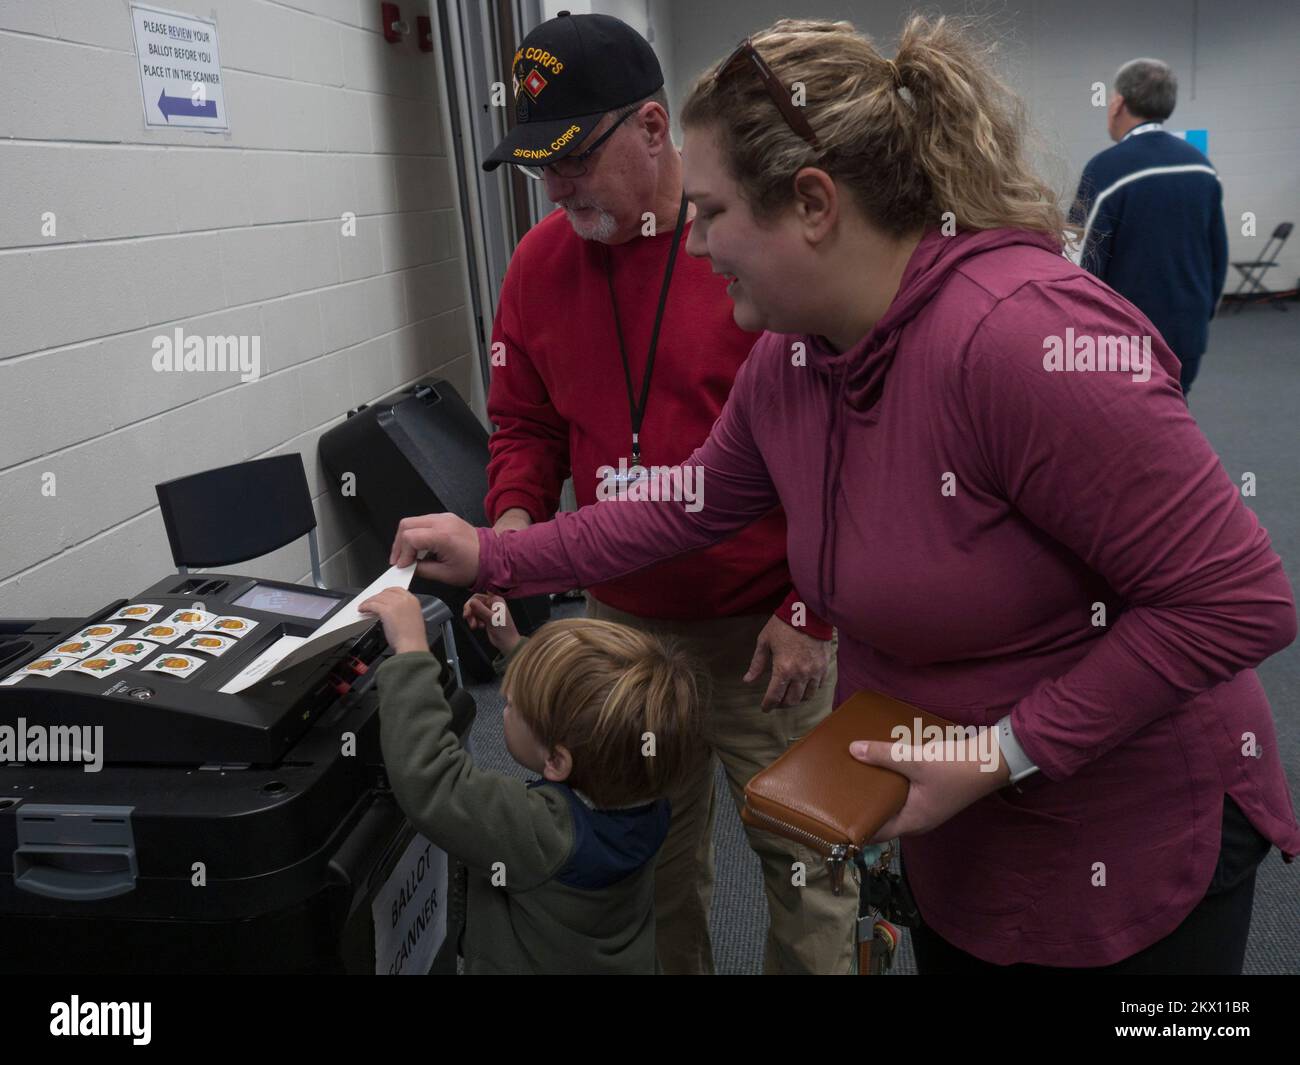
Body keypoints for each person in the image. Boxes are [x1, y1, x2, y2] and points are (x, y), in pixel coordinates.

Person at [388, 15, 1299, 974]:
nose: (691, 246)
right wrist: (495, 551)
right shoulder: (794, 356)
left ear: (814, 204)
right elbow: (681, 506)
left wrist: (1002, 752)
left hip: (1126, 836)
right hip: (958, 830)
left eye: (712, 213)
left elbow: (1239, 600)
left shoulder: (1020, 339)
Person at [472, 10, 854, 974]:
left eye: (573, 159)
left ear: (653, 128)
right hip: (623, 631)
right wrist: (513, 524)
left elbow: (843, 448)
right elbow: (525, 423)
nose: (556, 189)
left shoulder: (747, 249)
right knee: (650, 872)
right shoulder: (537, 266)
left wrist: (812, 606)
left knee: (807, 866)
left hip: (766, 631)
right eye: (536, 167)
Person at [358, 588, 704, 974]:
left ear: (556, 760)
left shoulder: (543, 833)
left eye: (510, 704)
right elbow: (586, 712)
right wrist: (513, 643)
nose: (504, 701)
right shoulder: (649, 783)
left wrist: (411, 650)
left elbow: (433, 778)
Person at [1070, 58, 1228, 396]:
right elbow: (1217, 256)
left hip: (1125, 341)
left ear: (1118, 104)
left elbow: (1076, 260)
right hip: (1188, 334)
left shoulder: (1105, 169)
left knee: (1123, 432)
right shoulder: (1202, 167)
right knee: (1174, 417)